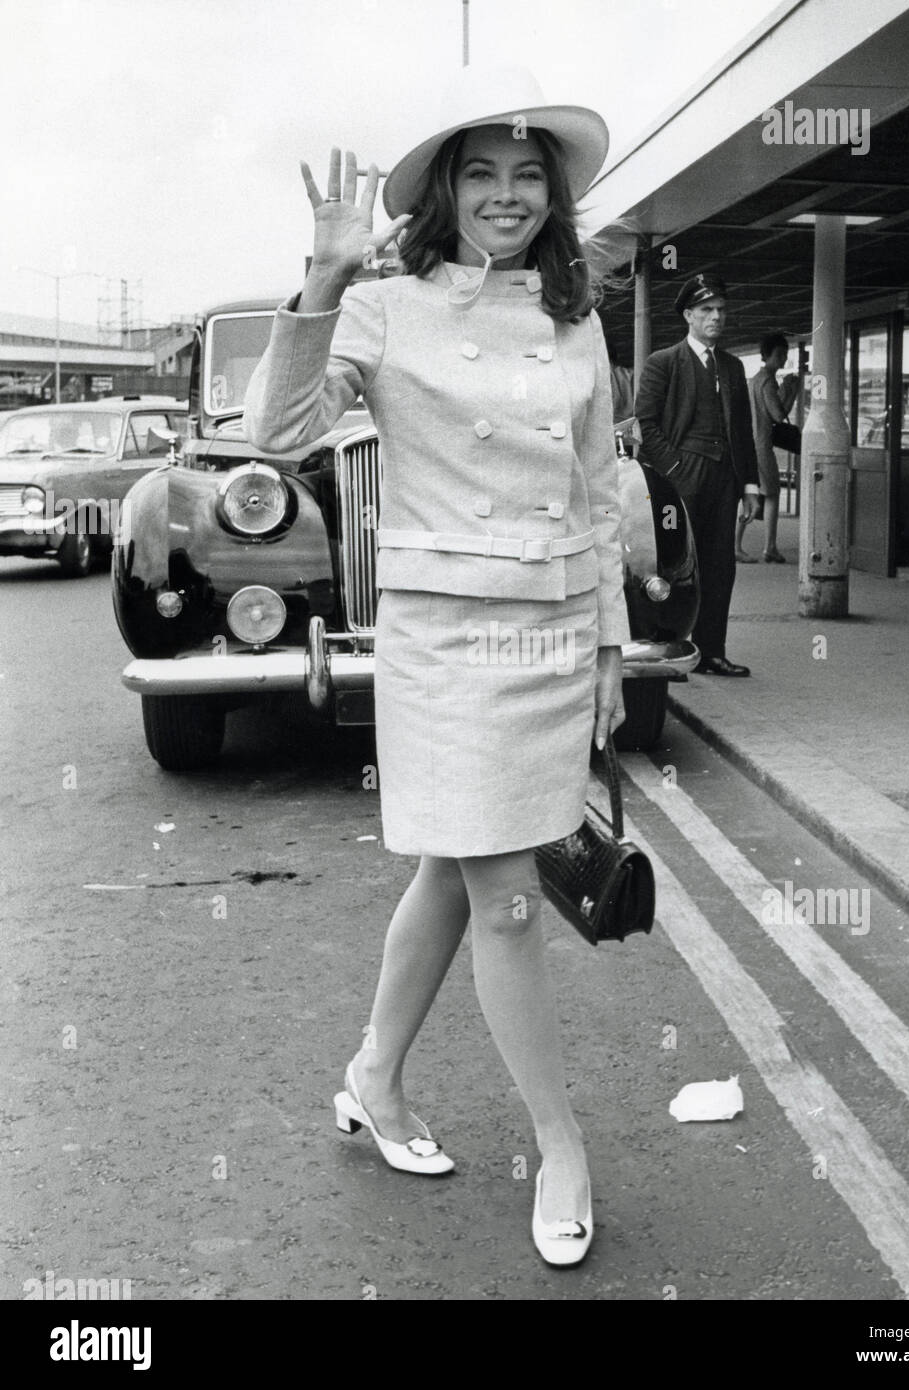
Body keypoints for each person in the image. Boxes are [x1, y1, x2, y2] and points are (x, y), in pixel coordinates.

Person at [243, 64, 628, 1268]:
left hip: (556, 637)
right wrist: (321, 278)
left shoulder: (577, 318)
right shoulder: (385, 304)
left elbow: (599, 487)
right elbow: (281, 433)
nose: (506, 195)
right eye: (482, 174)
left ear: (552, 198)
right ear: (446, 193)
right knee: (507, 892)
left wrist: (613, 641)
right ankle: (560, 1141)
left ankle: (372, 1074)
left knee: (456, 879)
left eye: (527, 177)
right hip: (449, 641)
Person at [634, 272, 758, 676]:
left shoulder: (733, 367)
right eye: (707, 310)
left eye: (721, 310)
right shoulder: (664, 363)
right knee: (676, 565)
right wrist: (675, 468)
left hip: (724, 479)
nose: (716, 317)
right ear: (688, 314)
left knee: (720, 564)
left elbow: (742, 431)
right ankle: (670, 647)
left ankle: (712, 652)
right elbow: (646, 424)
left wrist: (750, 485)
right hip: (681, 477)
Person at [738, 332, 801, 563]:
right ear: (767, 356)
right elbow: (777, 413)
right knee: (772, 494)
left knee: (751, 495)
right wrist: (790, 390)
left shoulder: (753, 379)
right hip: (761, 446)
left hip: (750, 444)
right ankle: (770, 547)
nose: (784, 359)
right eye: (780, 354)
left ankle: (738, 546)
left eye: (785, 354)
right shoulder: (767, 381)